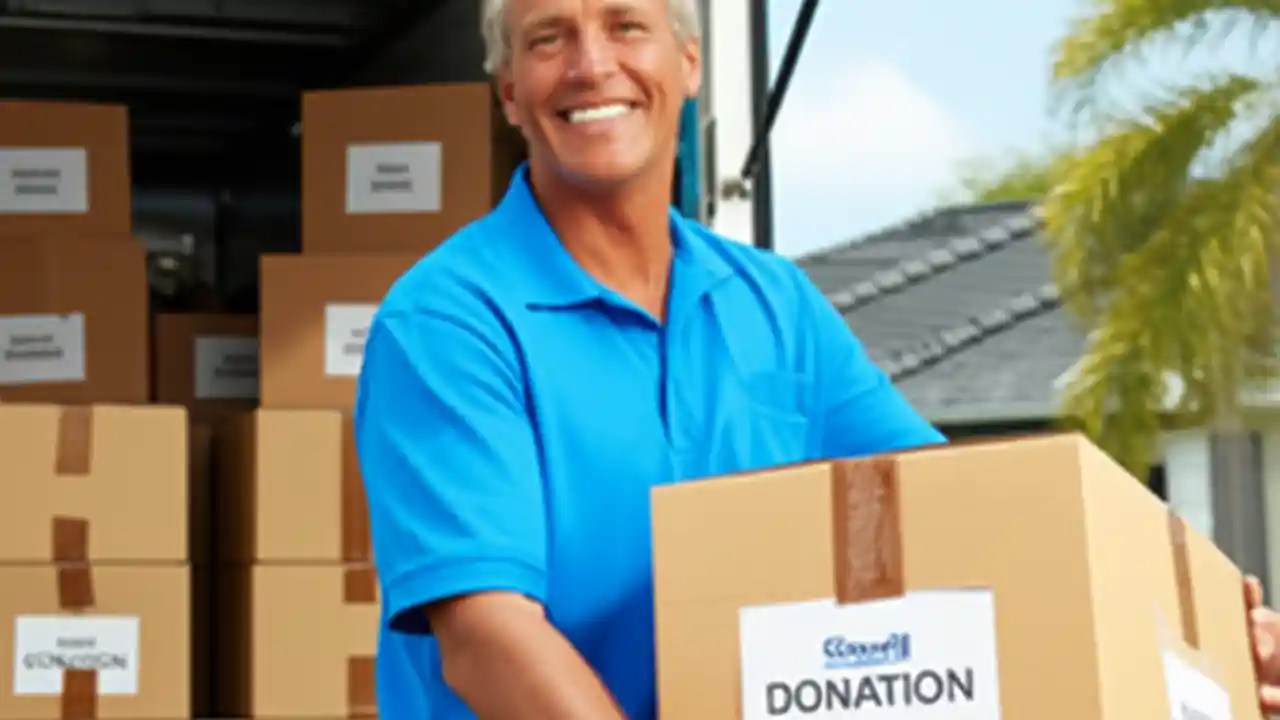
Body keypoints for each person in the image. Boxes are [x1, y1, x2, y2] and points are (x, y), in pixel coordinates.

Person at [352, 0, 1280, 717]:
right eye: (547, 38)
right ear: (510, 89)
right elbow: (484, 635)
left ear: (686, 60)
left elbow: (967, 510)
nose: (592, 64)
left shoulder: (771, 305)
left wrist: (1206, 639)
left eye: (625, 25)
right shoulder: (449, 321)